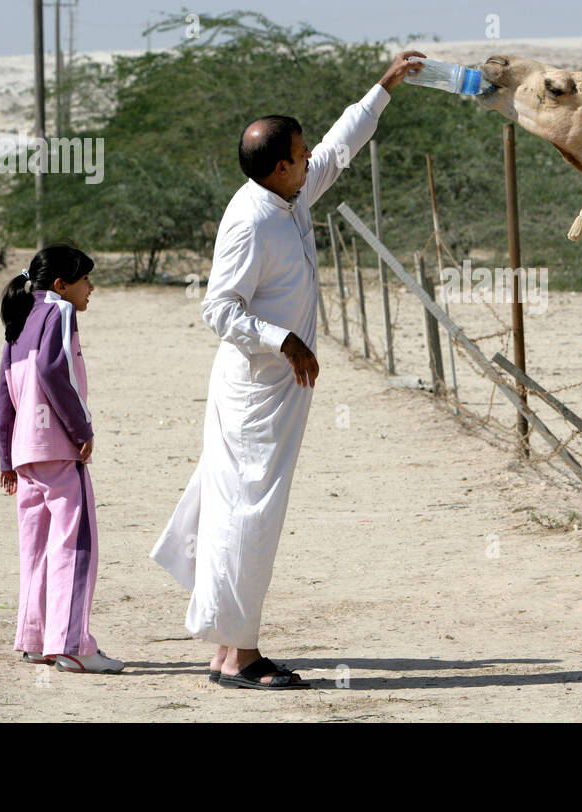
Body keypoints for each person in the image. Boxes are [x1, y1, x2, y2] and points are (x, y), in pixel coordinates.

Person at [151, 51, 425, 690]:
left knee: (239, 509)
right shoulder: (250, 219)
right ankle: (241, 657)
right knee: (250, 511)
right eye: (299, 156)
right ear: (278, 168)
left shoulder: (290, 195)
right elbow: (218, 308)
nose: (309, 161)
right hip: (255, 389)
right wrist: (286, 340)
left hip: (273, 388)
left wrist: (383, 87)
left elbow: (337, 147)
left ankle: (227, 648)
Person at [0, 244, 122, 673]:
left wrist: (5, 456)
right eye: (86, 279)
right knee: (75, 545)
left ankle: (35, 639)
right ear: (60, 284)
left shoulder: (18, 320)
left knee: (36, 550)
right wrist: (82, 429)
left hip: (25, 454)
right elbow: (55, 372)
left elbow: (2, 397)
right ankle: (72, 645)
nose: (92, 288)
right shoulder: (58, 311)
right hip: (58, 450)